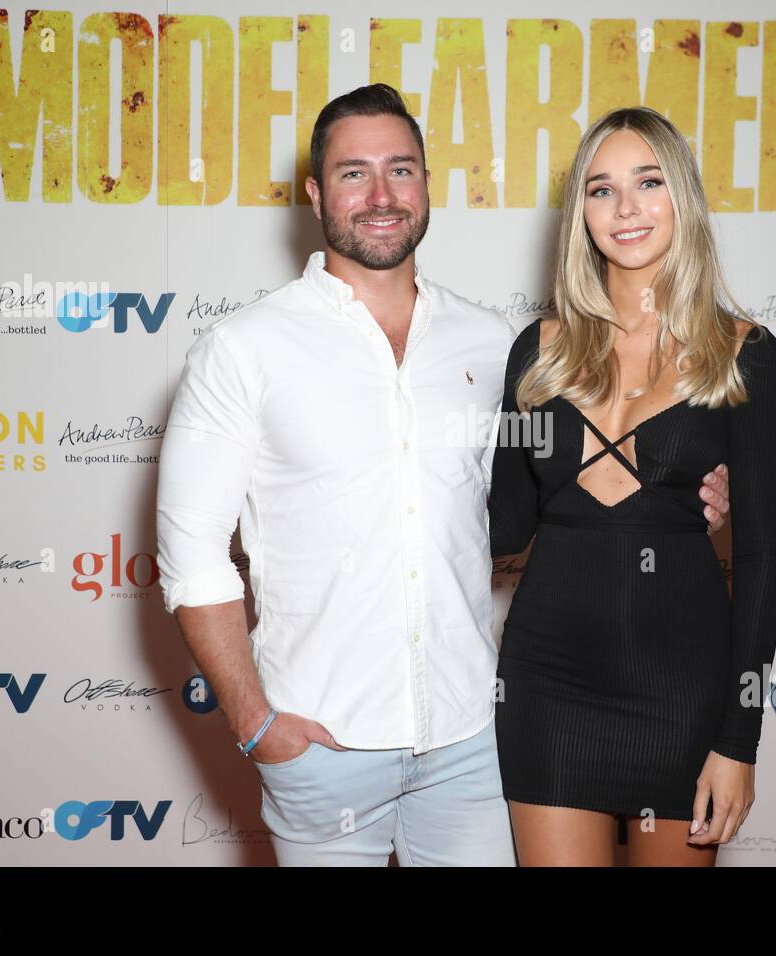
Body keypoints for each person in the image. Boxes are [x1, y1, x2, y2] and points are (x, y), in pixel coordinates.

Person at [155, 84, 732, 867]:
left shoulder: (496, 343)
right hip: (321, 746)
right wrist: (256, 724)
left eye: (401, 169)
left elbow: (536, 504)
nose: (381, 195)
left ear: (426, 185)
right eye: (354, 173)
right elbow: (192, 558)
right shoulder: (242, 351)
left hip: (473, 746)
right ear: (316, 194)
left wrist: (687, 494)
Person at [488, 106, 776, 867]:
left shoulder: (745, 355)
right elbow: (501, 528)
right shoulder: (538, 352)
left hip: (683, 687)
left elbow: (762, 562)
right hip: (548, 684)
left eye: (648, 182)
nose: (625, 208)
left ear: (681, 196)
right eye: (602, 189)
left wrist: (739, 740)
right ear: (581, 213)